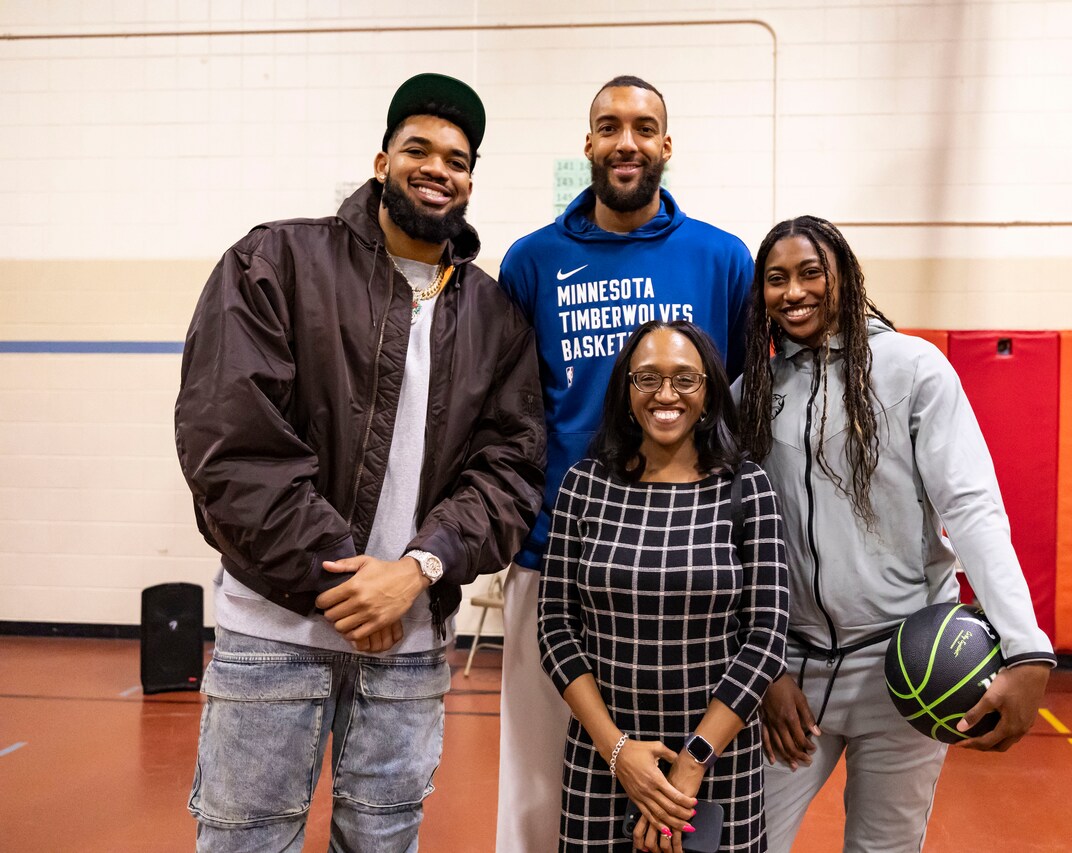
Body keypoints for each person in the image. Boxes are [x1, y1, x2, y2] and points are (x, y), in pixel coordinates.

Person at [174, 73, 545, 852]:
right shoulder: (274, 260)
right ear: (382, 161)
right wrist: (348, 578)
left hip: (409, 643)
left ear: (472, 179)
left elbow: (509, 471)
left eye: (457, 156)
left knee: (384, 840)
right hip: (275, 631)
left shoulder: (493, 315)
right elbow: (230, 441)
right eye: (418, 148)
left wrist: (414, 571)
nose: (437, 166)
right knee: (244, 839)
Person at [736, 216, 1056, 853]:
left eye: (809, 273)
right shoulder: (751, 392)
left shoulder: (913, 368)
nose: (793, 292)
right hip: (793, 677)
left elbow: (971, 510)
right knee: (746, 842)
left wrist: (1026, 648)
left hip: (904, 670)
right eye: (776, 279)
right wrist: (766, 671)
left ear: (845, 279)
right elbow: (739, 547)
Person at [496, 75, 754, 851]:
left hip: (698, 566)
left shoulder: (723, 258)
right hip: (560, 562)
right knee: (543, 797)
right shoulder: (532, 261)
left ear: (667, 146)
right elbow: (510, 413)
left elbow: (742, 407)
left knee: (685, 793)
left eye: (644, 127)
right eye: (609, 127)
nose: (627, 142)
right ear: (588, 146)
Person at [538, 320, 788, 853]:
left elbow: (766, 638)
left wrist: (692, 764)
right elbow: (556, 630)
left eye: (685, 380)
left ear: (709, 391)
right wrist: (619, 751)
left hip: (717, 768)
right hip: (603, 764)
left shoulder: (747, 488)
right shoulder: (584, 487)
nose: (666, 395)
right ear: (626, 391)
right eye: (647, 379)